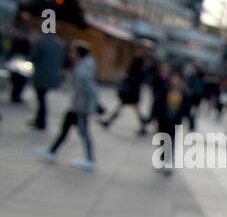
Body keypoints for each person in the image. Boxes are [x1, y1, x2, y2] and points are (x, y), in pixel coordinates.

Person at [35, 40, 97, 170]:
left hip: (80, 108)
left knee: (83, 133)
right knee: (66, 129)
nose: (71, 54)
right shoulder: (84, 65)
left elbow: (89, 89)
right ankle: (52, 151)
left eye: (73, 52)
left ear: (78, 53)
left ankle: (89, 159)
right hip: (77, 106)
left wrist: (90, 106)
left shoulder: (83, 70)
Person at [28, 29, 66, 131]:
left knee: (41, 99)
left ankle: (41, 121)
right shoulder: (60, 44)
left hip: (41, 74)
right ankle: (39, 119)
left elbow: (34, 57)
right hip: (53, 75)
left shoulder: (41, 41)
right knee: (42, 98)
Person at [101, 55, 148, 134]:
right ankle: (143, 126)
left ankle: (108, 122)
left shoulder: (133, 71)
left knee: (122, 109)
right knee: (133, 111)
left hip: (129, 94)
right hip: (133, 95)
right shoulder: (140, 71)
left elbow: (129, 82)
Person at [6, 27, 32, 103]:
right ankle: (16, 96)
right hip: (21, 62)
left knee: (16, 80)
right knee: (20, 80)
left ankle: (15, 95)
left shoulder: (16, 40)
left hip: (17, 61)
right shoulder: (25, 42)